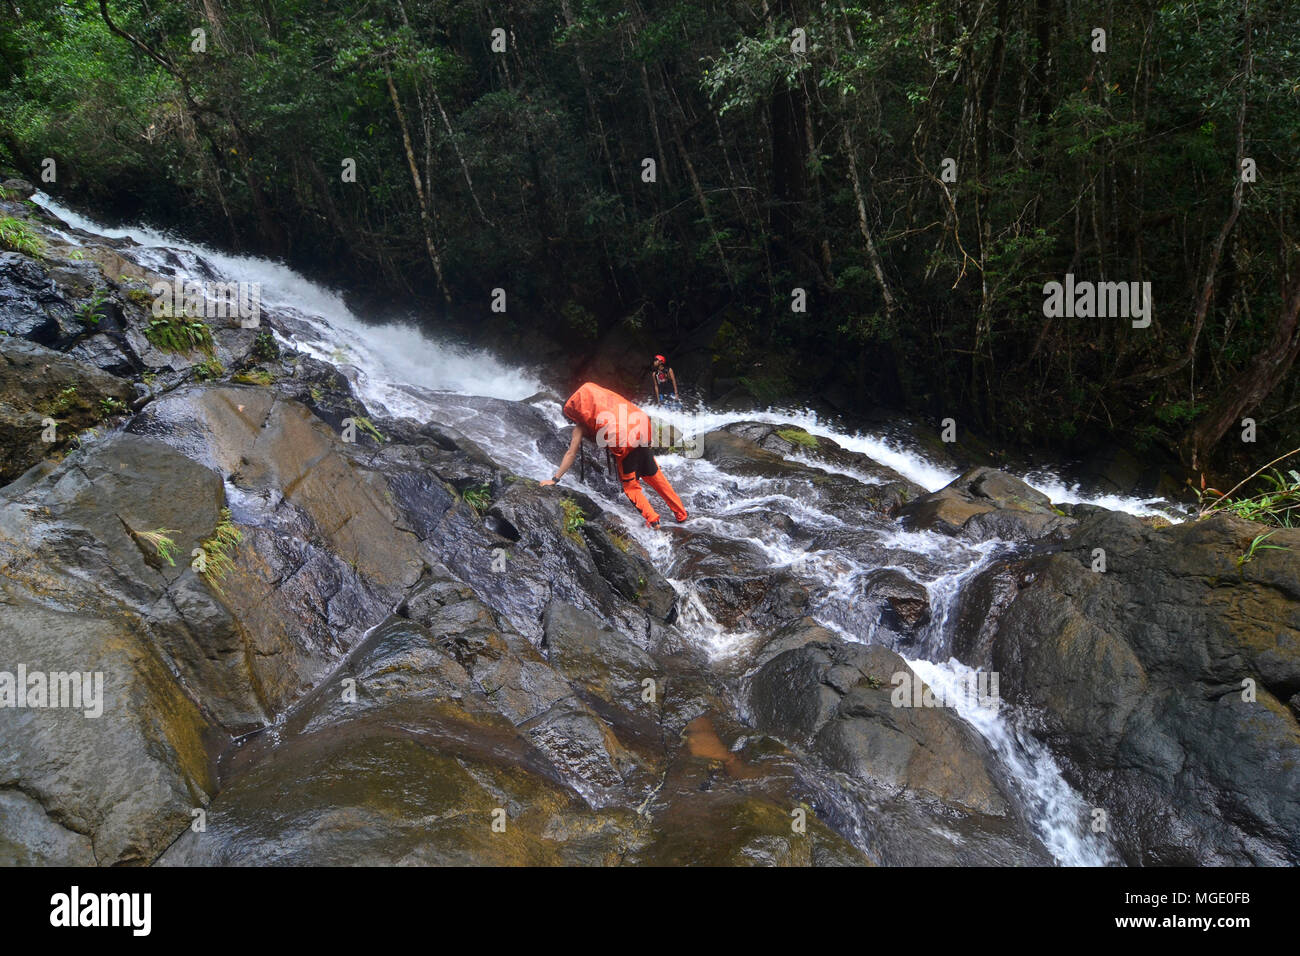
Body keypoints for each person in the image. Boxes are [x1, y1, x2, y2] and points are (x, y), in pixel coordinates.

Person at [541, 381, 688, 528]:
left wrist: (555, 479)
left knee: (631, 488)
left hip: (627, 451)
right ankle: (681, 513)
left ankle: (654, 521)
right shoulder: (608, 408)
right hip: (640, 436)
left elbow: (570, 453)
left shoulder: (581, 427)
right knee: (657, 478)